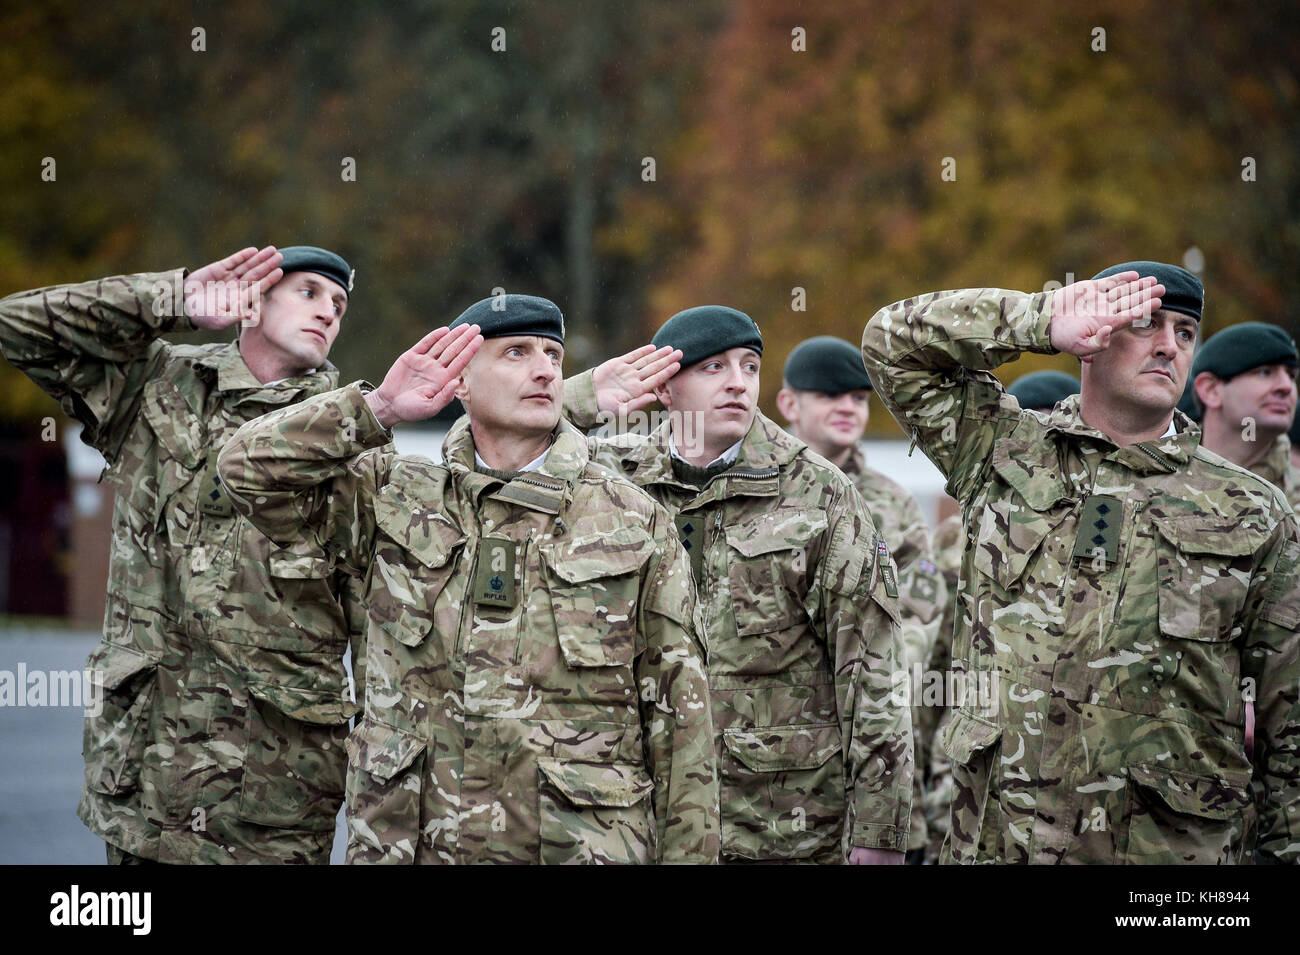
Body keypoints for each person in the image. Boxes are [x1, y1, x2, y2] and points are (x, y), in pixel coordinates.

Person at [219, 296, 720, 864]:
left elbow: (682, 721)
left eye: (553, 356)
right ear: (460, 381)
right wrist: (380, 406)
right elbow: (245, 470)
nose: (544, 369)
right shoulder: (392, 498)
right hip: (413, 845)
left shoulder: (631, 519)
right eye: (516, 353)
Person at [862, 261, 1300, 864]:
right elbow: (891, 343)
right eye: (1146, 323)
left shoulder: (1253, 510)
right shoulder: (1002, 451)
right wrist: (1039, 319)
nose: (1168, 345)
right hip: (996, 845)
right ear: (1092, 337)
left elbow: (1289, 721)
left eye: (1184, 333)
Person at [0, 246, 364, 863]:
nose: (329, 311)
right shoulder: (158, 386)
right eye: (309, 292)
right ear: (253, 299)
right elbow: (18, 327)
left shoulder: (350, 435)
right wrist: (170, 300)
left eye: (339, 304)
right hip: (148, 784)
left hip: (273, 805)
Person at [563, 306, 913, 864]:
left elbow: (872, 669)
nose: (737, 382)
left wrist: (880, 833)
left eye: (750, 366)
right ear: (664, 389)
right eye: (713, 368)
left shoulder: (817, 492)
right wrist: (583, 399)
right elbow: (489, 452)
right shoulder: (609, 479)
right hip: (630, 823)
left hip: (775, 827)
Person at [775, 335, 943, 863]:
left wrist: (876, 672)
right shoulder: (753, 489)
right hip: (772, 753)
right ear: (788, 404)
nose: (847, 407)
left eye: (858, 397)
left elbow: (921, 606)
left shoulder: (892, 503)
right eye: (829, 394)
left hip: (870, 739)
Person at [1191, 322, 1300, 512]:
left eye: (1291, 375)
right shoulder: (1157, 481)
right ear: (1211, 390)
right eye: (1265, 372)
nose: (1286, 386)